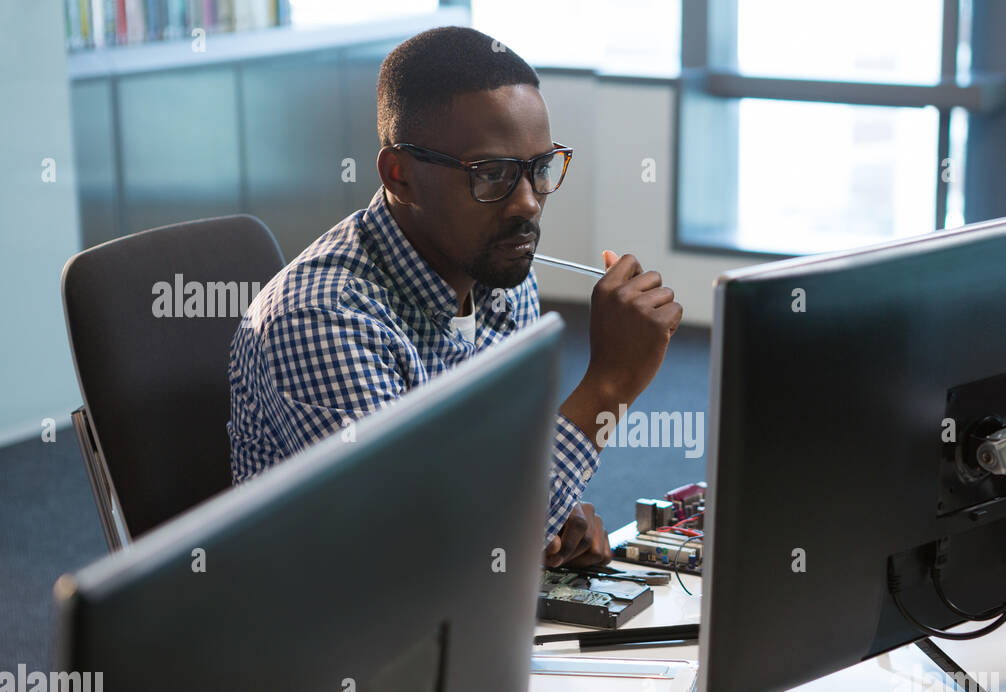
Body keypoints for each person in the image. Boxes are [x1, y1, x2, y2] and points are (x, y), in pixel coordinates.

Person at [228, 26, 682, 567]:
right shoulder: (321, 319)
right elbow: (421, 552)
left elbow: (485, 484)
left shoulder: (502, 282)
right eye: (490, 174)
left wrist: (550, 510)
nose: (528, 204)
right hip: (327, 632)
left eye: (539, 169)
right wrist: (609, 383)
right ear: (400, 176)